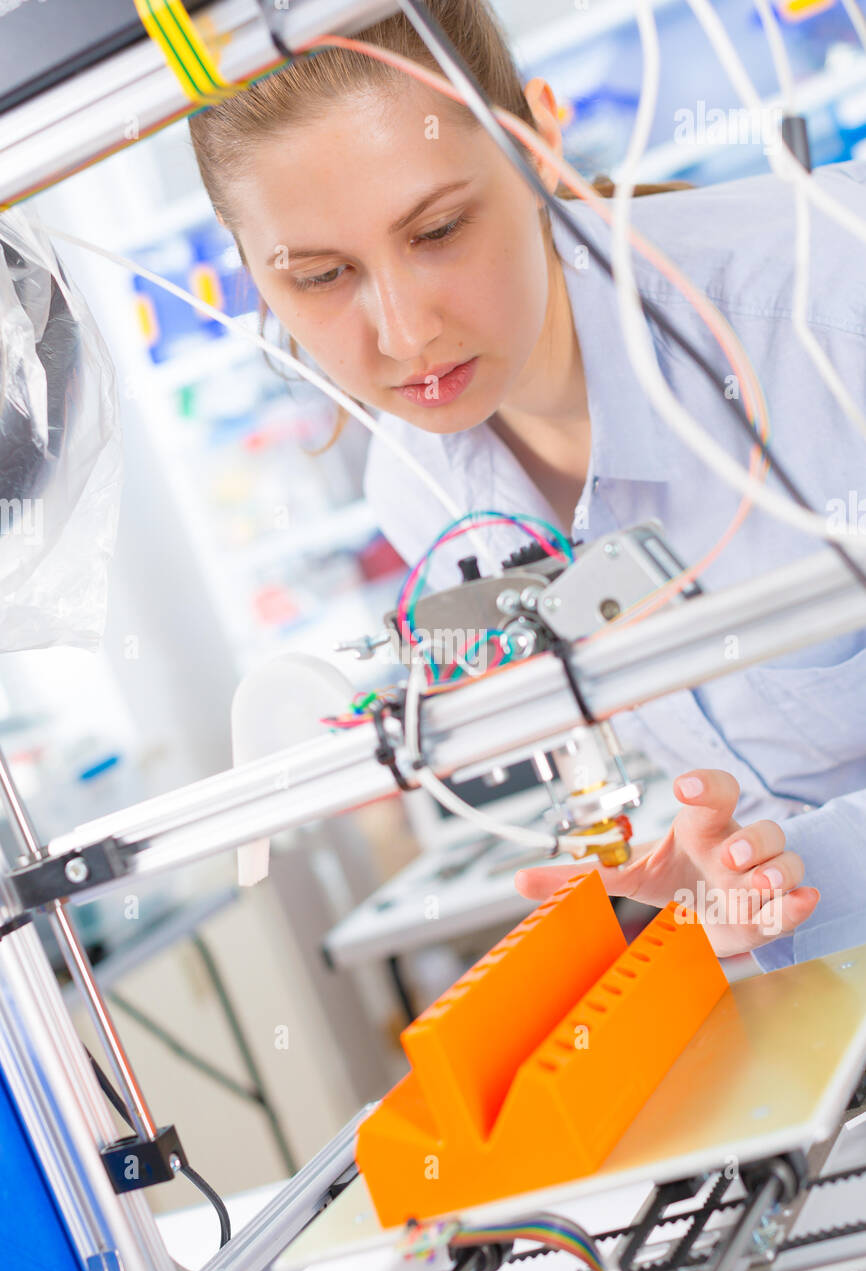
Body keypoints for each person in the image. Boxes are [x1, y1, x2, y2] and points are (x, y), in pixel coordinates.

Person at [189, 0, 866, 971]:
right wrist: (727, 873)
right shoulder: (421, 486)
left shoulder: (826, 317)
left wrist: (819, 867)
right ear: (253, 276)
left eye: (437, 230)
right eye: (321, 276)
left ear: (539, 142)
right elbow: (746, 788)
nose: (404, 333)